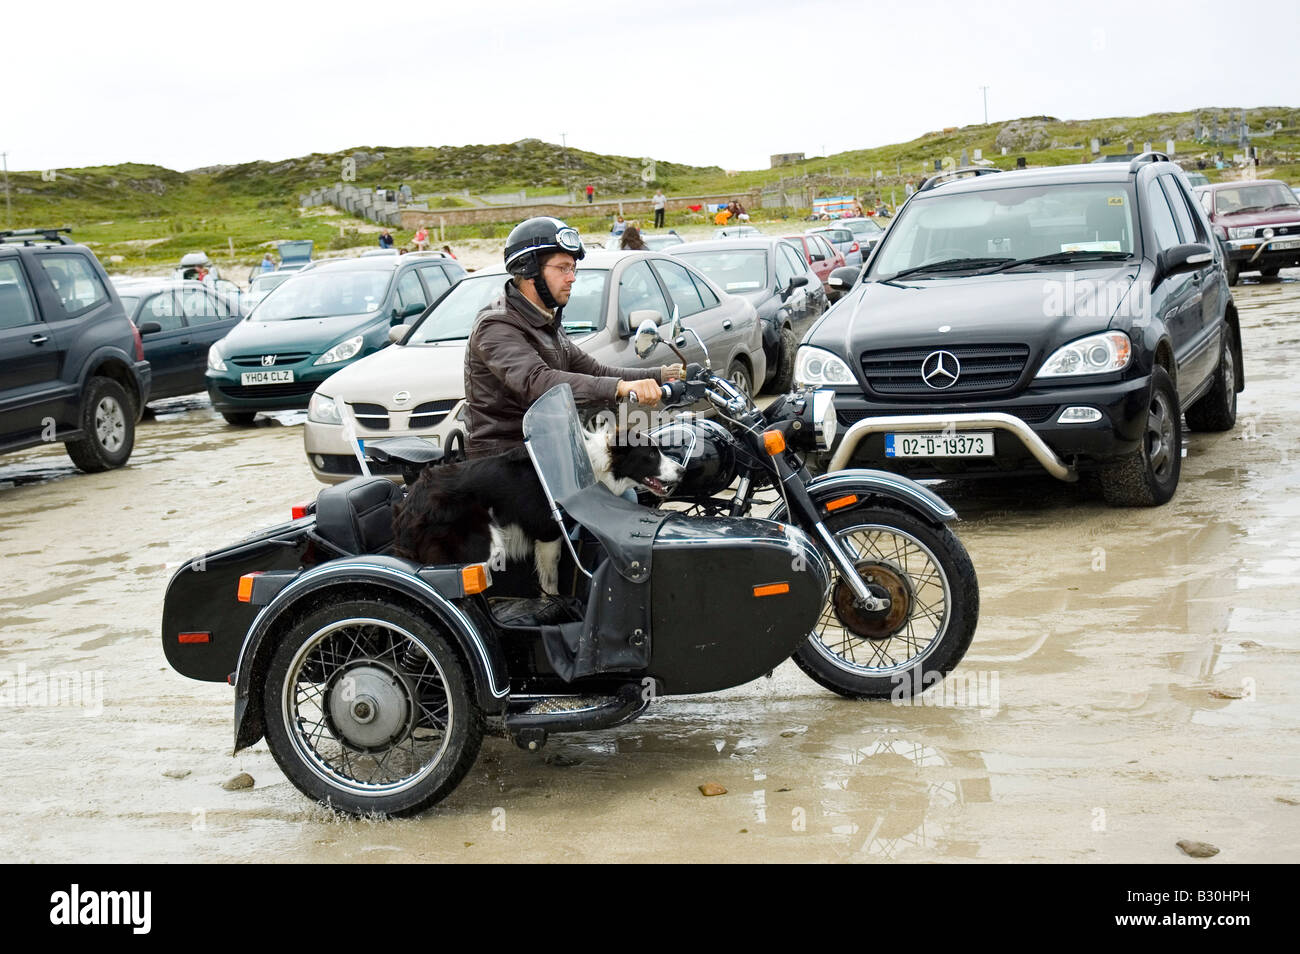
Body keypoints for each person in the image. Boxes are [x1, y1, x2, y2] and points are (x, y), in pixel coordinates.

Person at [463, 216, 680, 459]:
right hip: (506, 459)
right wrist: (620, 387)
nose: (572, 277)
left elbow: (596, 371)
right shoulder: (497, 324)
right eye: (563, 268)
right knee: (624, 493)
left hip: (546, 451)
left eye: (573, 268)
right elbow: (537, 382)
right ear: (529, 269)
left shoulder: (544, 320)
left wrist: (665, 375)